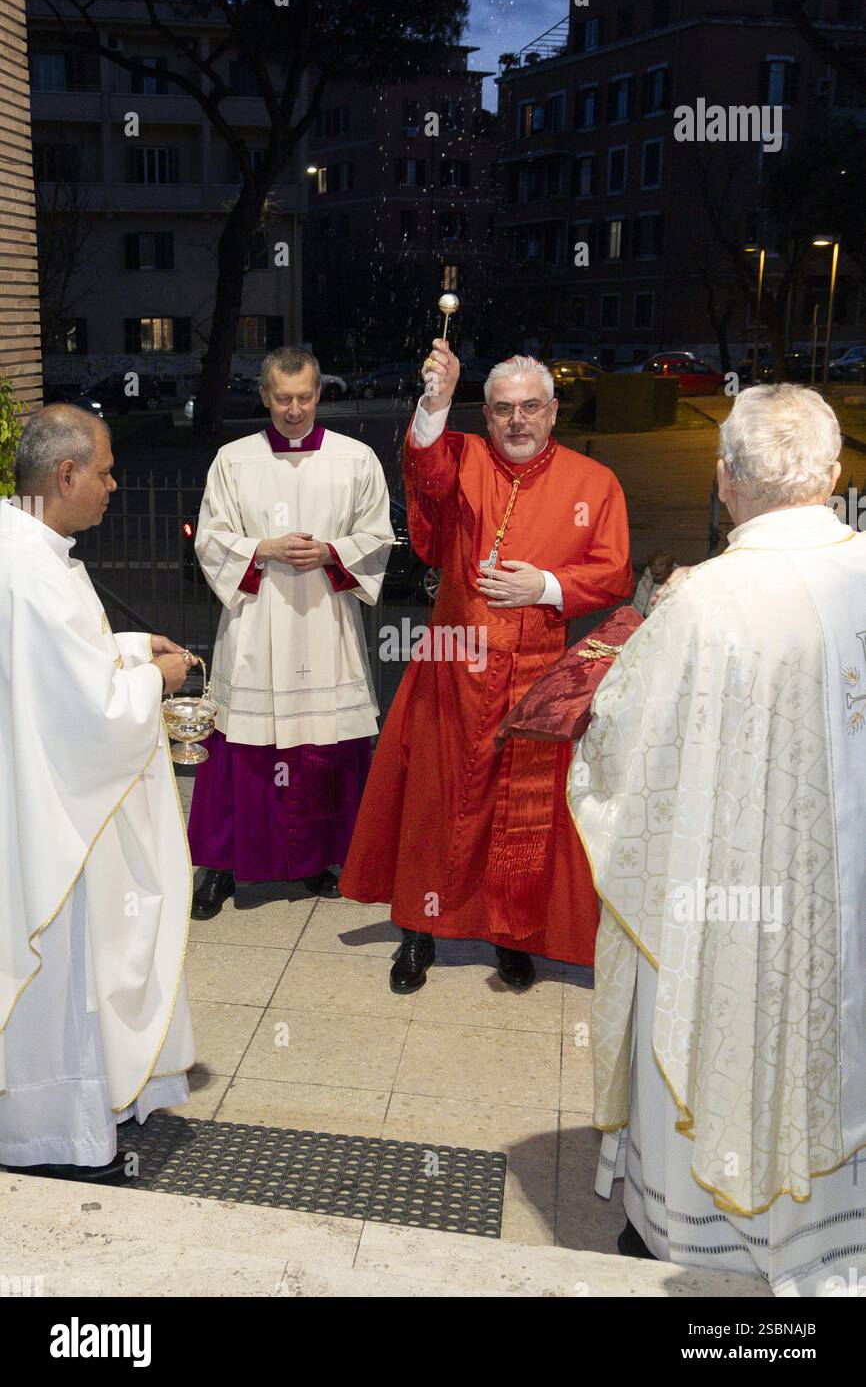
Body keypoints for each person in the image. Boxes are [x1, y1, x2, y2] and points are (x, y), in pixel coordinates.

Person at [569, 383, 866, 1296]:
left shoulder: (704, 603)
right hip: (845, 898)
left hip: (734, 902)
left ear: (726, 479)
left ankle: (706, 1236)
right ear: (832, 476)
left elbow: (624, 743)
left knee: (721, 1013)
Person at [340, 340, 633, 993]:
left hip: (537, 677)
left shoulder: (594, 483)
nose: (517, 420)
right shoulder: (464, 456)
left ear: (552, 411)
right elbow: (427, 476)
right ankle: (419, 929)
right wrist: (435, 403)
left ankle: (511, 934)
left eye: (530, 407)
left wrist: (547, 587)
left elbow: (615, 572)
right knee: (435, 803)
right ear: (487, 413)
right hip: (454, 667)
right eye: (503, 409)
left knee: (519, 813)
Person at [0, 405, 195, 1183]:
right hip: (48, 814)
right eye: (107, 473)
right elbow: (91, 713)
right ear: (66, 474)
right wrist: (159, 681)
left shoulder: (27, 548)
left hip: (41, 791)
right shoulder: (28, 571)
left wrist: (128, 648)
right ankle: (58, 1136)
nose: (115, 486)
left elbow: (56, 670)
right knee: (65, 971)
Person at [187, 347, 393, 918]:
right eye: (283, 398)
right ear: (264, 396)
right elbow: (210, 538)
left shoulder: (356, 459)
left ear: (319, 393)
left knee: (324, 745)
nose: (295, 410)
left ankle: (321, 858)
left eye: (304, 397)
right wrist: (263, 548)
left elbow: (379, 536)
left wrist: (331, 552)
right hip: (257, 625)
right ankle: (221, 866)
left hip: (326, 622)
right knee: (238, 749)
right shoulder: (233, 460)